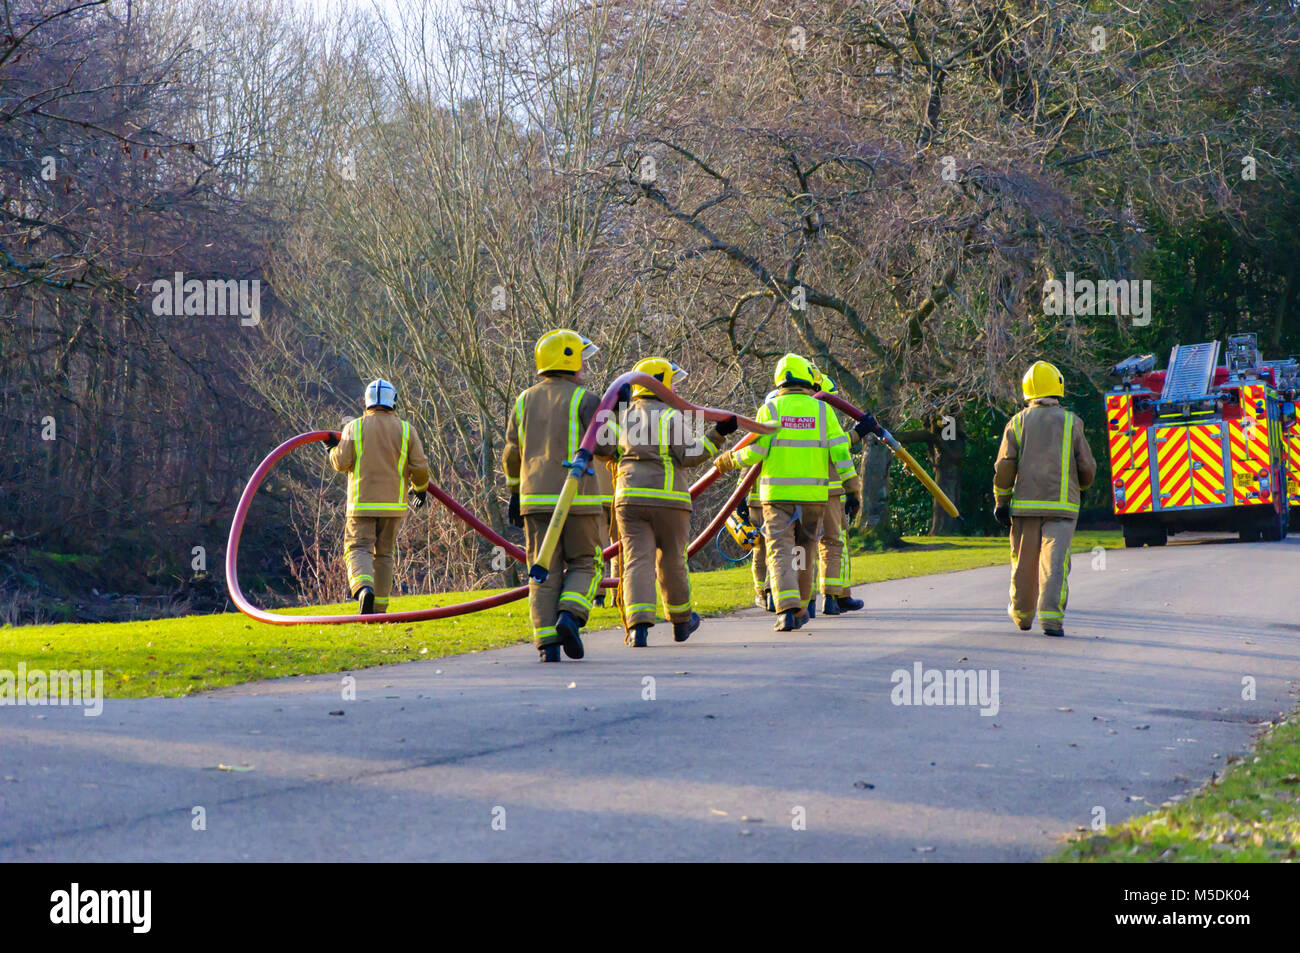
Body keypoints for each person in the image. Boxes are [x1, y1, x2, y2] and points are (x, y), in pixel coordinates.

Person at [714, 353, 854, 632]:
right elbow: (841, 453)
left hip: (777, 499)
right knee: (804, 550)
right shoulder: (823, 411)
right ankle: (802, 606)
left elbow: (756, 451)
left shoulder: (771, 409)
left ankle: (786, 610)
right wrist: (853, 489)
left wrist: (729, 459)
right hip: (814, 498)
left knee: (779, 551)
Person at [504, 329, 617, 662]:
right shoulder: (587, 400)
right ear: (570, 359)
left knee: (543, 568)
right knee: (587, 561)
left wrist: (514, 491)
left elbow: (512, 453)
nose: (585, 364)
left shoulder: (523, 400)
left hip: (533, 500)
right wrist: (614, 413)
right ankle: (570, 614)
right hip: (578, 499)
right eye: (581, 357)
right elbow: (608, 446)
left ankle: (547, 645)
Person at [616, 358, 737, 647]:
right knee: (672, 559)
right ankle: (681, 623)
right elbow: (690, 455)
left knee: (637, 560)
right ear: (662, 383)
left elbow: (603, 449)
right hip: (669, 500)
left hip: (629, 499)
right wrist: (719, 433)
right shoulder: (670, 416)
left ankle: (637, 629)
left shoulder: (621, 415)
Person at [992, 360, 1097, 637]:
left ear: (1028, 390)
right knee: (1055, 563)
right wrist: (1083, 485)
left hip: (1025, 507)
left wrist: (1001, 501)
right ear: (1058, 387)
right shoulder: (1072, 422)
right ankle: (1051, 620)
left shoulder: (1016, 422)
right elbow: (1086, 466)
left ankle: (1022, 616)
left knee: (1024, 563)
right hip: (1062, 508)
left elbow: (1004, 464)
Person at [325, 378, 430, 615]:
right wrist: (420, 489)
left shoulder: (354, 427)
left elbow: (341, 463)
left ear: (367, 402)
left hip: (361, 505)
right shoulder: (406, 430)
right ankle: (380, 611)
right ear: (394, 402)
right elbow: (421, 468)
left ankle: (363, 590)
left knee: (358, 548)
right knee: (384, 555)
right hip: (393, 508)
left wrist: (332, 448)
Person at [812, 375, 865, 616]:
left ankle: (800, 603)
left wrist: (855, 435)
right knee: (834, 544)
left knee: (796, 546)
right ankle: (834, 598)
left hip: (792, 495)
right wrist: (853, 489)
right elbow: (837, 449)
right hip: (829, 492)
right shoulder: (821, 412)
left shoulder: (782, 411)